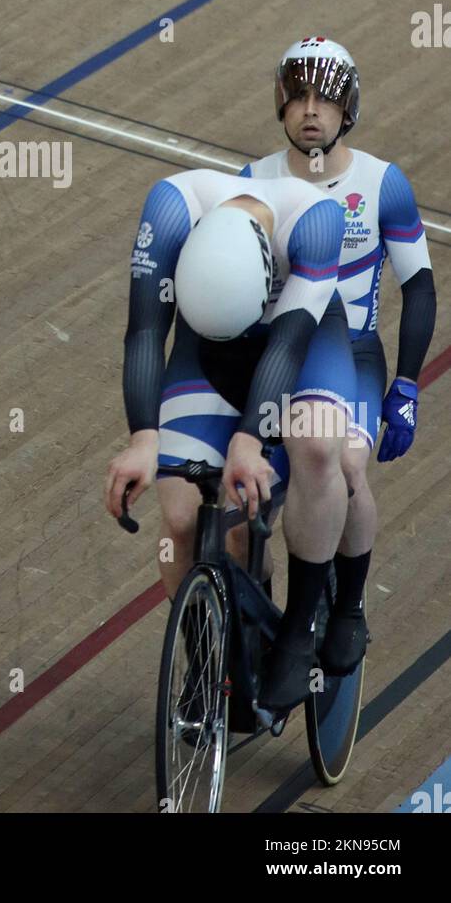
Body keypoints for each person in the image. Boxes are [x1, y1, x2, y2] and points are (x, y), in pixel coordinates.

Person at [105, 168, 359, 712]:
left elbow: (286, 350)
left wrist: (249, 439)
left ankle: (297, 629)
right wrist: (143, 440)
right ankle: (209, 655)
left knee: (313, 447)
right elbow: (147, 331)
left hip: (302, 339)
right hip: (207, 345)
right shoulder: (172, 207)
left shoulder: (314, 221)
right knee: (180, 516)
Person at [240, 36, 436, 675]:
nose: (310, 111)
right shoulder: (252, 181)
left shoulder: (383, 183)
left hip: (350, 354)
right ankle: (255, 615)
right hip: (276, 350)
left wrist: (405, 386)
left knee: (346, 468)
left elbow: (420, 287)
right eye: (297, 97)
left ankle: (347, 607)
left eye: (325, 98)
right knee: (243, 497)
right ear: (281, 104)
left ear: (348, 107)